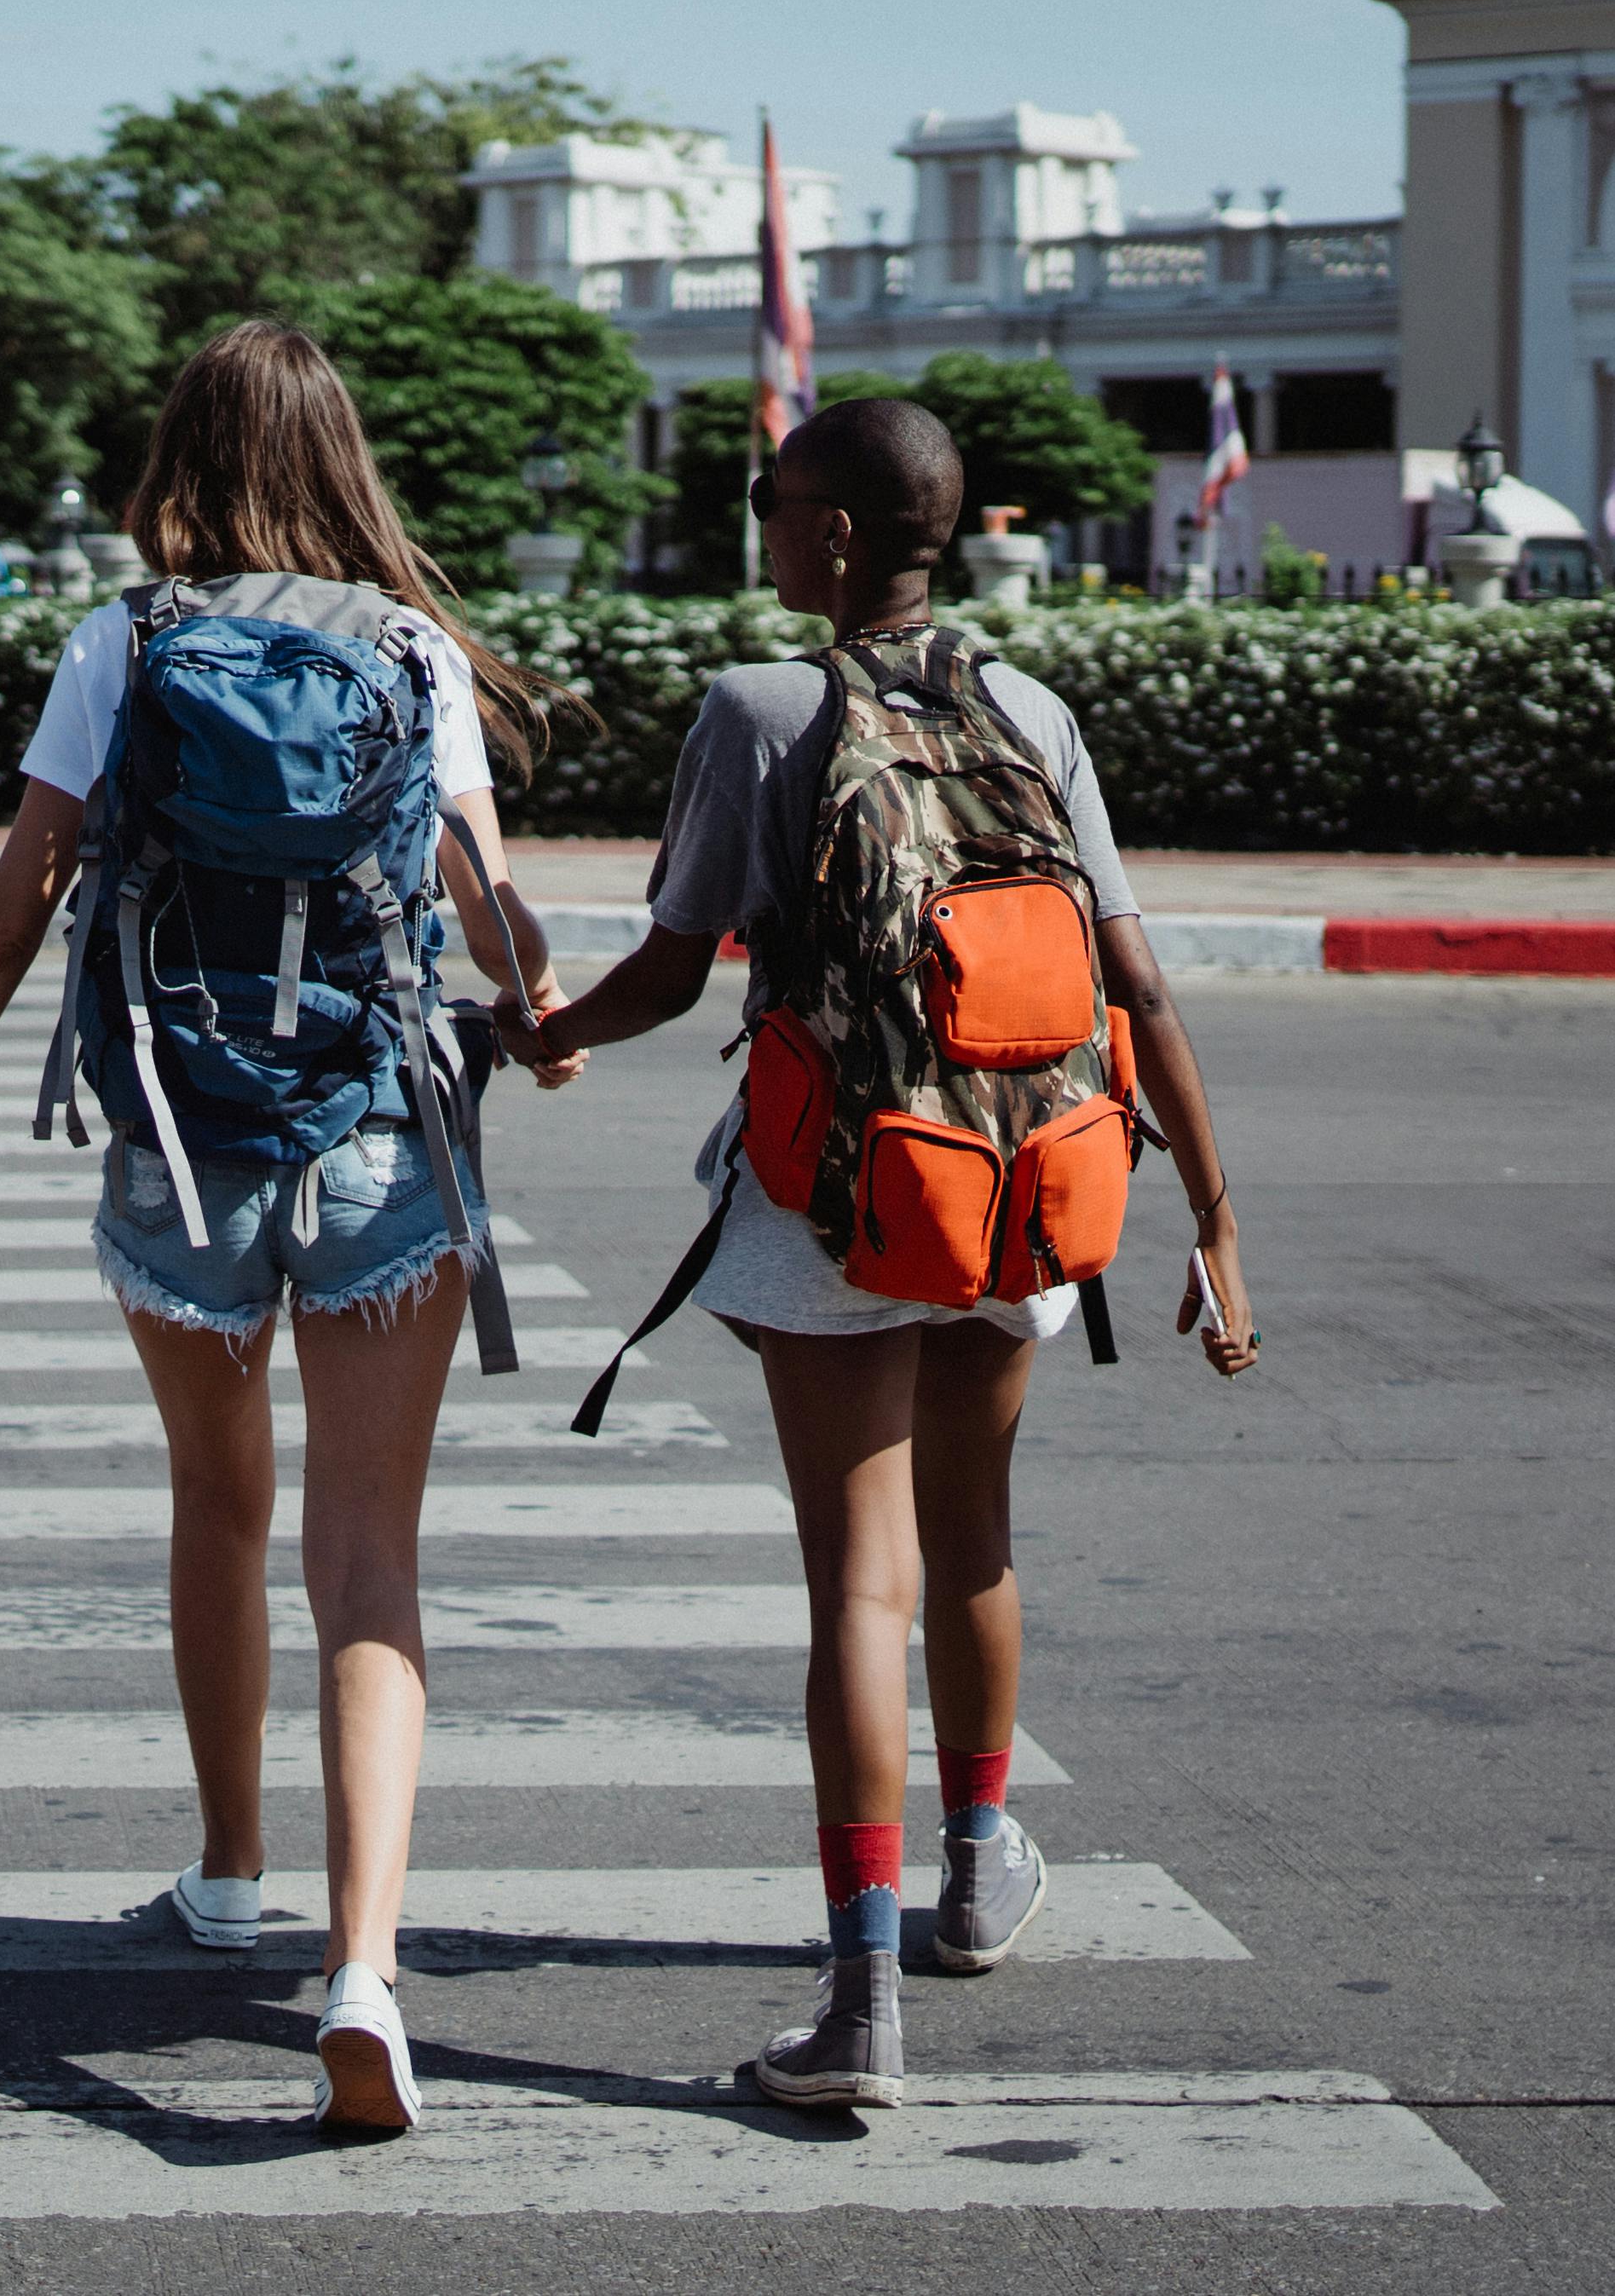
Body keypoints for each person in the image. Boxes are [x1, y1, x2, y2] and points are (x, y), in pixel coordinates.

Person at [0, 321, 583, 2136]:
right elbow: (486, 900)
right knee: (370, 1556)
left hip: (177, 1141)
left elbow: (4, 915)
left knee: (219, 1502)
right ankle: (360, 1963)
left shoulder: (123, 641)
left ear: (183, 454)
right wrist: (540, 1018)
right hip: (381, 1136)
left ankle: (230, 1865)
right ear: (342, 459)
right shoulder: (412, 647)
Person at [499, 395, 1257, 2112]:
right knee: (971, 1540)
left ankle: (856, 2003)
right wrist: (1211, 1215)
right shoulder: (1032, 706)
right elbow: (1132, 988)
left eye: (773, 502)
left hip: (843, 1187)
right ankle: (979, 1864)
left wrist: (518, 1030)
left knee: (857, 1577)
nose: (758, 525)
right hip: (1024, 1181)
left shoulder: (758, 710)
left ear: (836, 531)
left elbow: (671, 970)